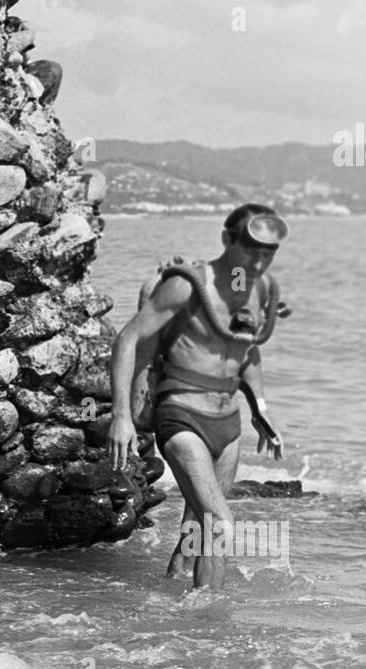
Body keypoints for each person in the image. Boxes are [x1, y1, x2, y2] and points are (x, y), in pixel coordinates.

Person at [107, 205, 288, 591]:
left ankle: (184, 614)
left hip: (228, 423)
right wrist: (121, 416)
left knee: (198, 529)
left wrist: (261, 409)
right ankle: (207, 617)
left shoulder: (262, 288)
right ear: (227, 240)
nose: (259, 261)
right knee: (219, 522)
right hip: (182, 414)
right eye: (251, 250)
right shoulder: (188, 284)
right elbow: (128, 339)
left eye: (267, 253)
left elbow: (247, 351)